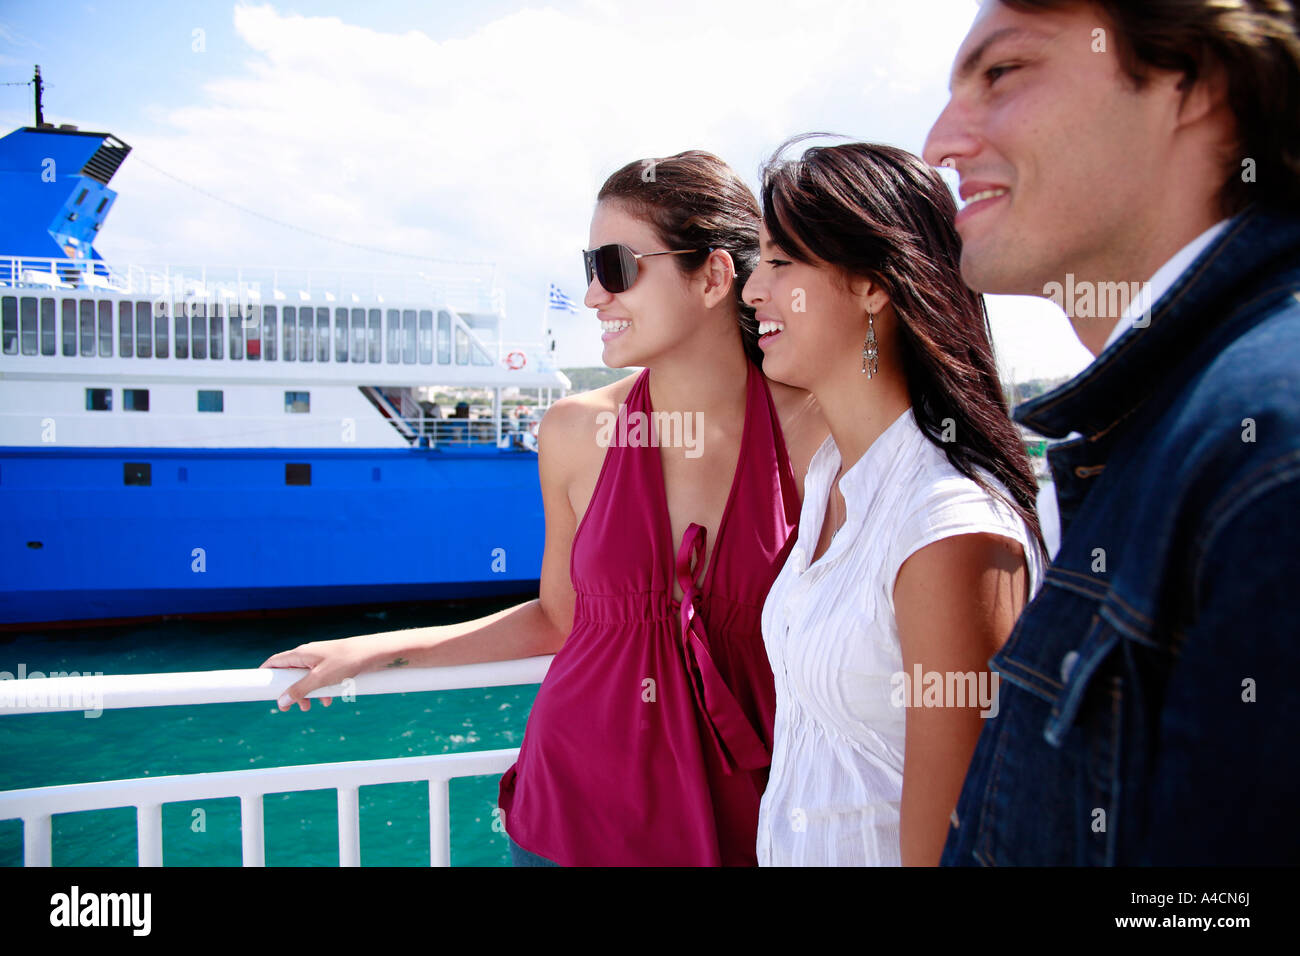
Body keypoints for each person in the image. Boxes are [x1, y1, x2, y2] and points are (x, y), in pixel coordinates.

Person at [261, 150, 829, 866]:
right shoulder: (572, 431)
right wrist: (380, 647)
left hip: (755, 823)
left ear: (714, 276)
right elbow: (560, 617)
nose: (594, 294)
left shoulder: (816, 429)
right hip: (569, 816)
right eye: (588, 265)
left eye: (616, 265)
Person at [922, 0, 1300, 865]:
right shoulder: (1165, 432)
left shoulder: (1265, 450)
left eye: (1003, 73)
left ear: (1193, 81)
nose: (941, 142)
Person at [742, 138, 1048, 866]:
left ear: (872, 285)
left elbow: (955, 841)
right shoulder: (829, 481)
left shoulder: (948, 526)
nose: (752, 289)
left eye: (782, 262)